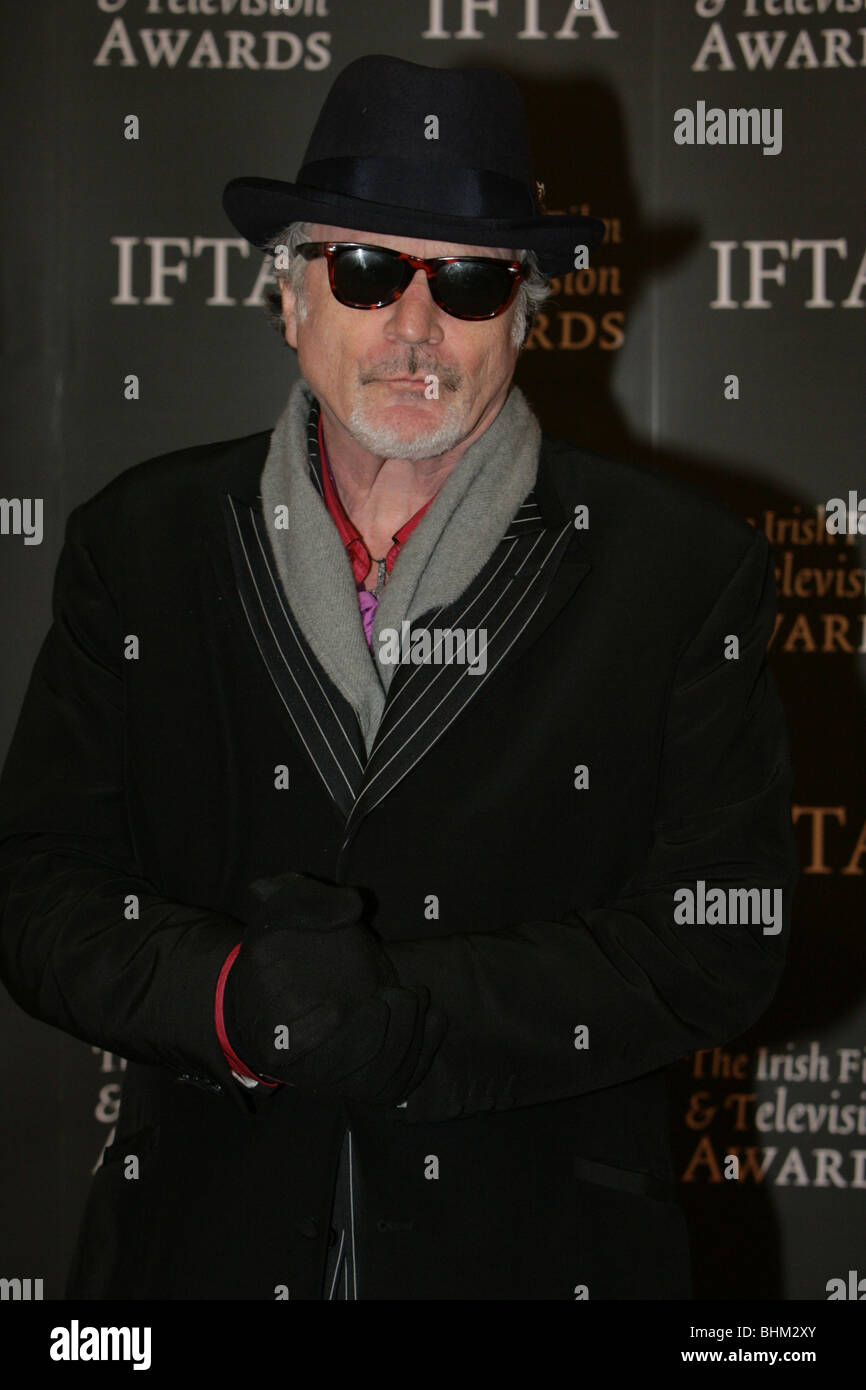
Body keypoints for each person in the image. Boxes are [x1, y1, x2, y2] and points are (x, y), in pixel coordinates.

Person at [0, 54, 798, 1301]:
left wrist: (404, 1014)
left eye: (469, 282)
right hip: (193, 1253)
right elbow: (38, 887)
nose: (413, 329)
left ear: (527, 313)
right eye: (366, 270)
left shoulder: (683, 573)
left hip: (540, 1258)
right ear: (289, 298)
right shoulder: (139, 544)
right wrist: (230, 1001)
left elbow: (714, 945)